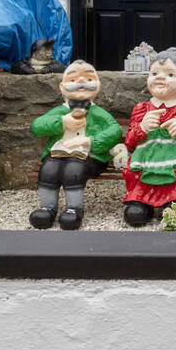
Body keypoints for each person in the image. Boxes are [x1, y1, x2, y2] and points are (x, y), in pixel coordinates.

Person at [29, 61, 123, 230]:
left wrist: (90, 141)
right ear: (62, 87)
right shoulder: (60, 111)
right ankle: (47, 208)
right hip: (59, 153)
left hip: (90, 156)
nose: (80, 81)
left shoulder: (99, 113)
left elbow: (115, 131)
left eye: (88, 78)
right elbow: (37, 126)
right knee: (48, 168)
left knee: (73, 170)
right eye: (72, 80)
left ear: (98, 85)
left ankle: (74, 210)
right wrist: (61, 122)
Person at [122, 47, 176, 226]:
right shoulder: (141, 109)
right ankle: (140, 202)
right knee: (134, 215)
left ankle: (174, 200)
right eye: (154, 73)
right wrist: (142, 128)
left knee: (175, 209)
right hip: (145, 165)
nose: (160, 77)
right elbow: (129, 144)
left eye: (169, 75)